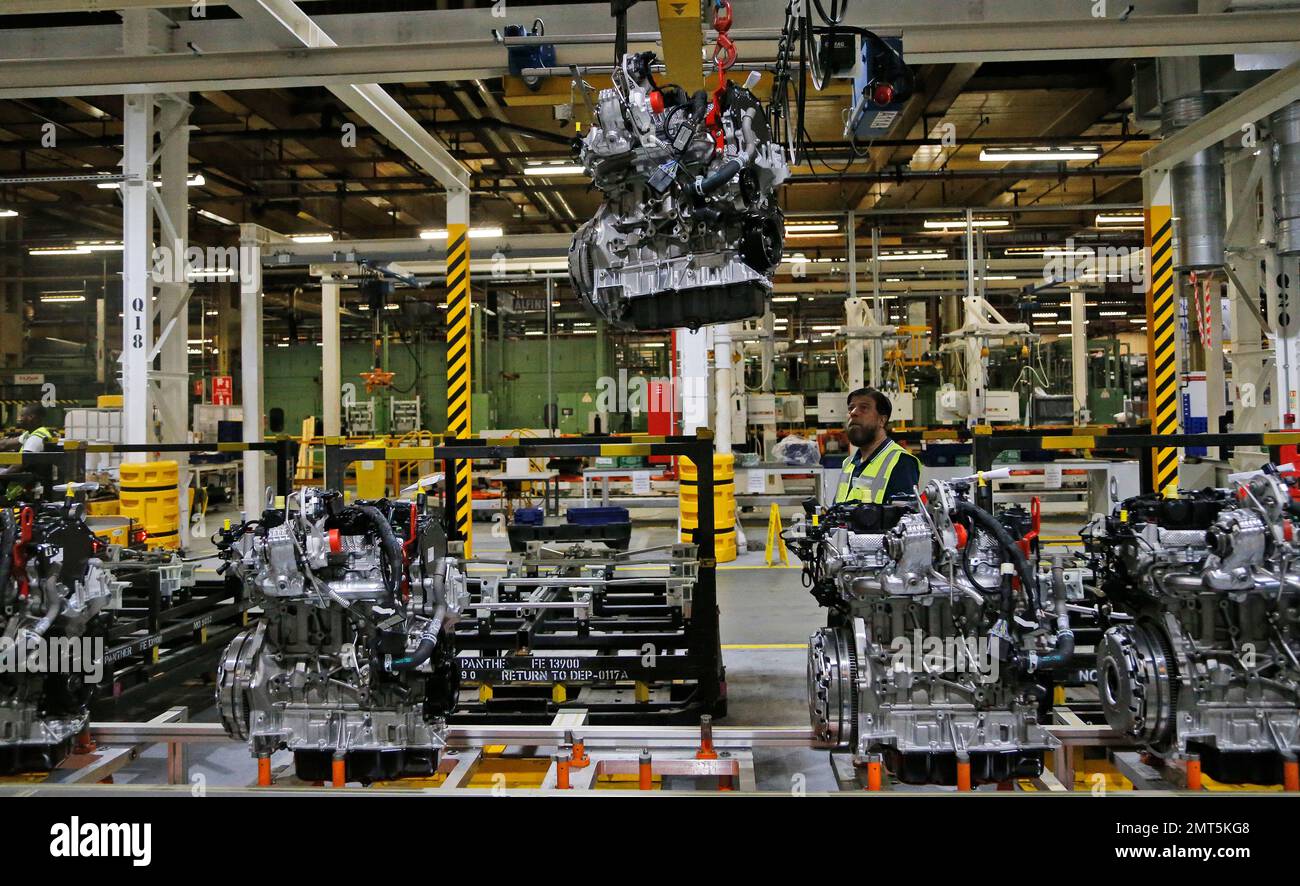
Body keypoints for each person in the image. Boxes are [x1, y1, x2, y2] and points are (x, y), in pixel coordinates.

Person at [833, 388, 921, 504]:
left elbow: (905, 517)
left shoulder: (901, 462)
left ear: (882, 420)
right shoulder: (848, 464)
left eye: (864, 408)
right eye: (851, 408)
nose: (853, 412)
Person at [1, 404, 55, 498]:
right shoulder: (29, 434)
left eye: (22, 415)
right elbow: (5, 444)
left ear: (31, 417)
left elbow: (21, 463)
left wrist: (2, 475)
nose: (19, 419)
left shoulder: (37, 437)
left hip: (25, 484)